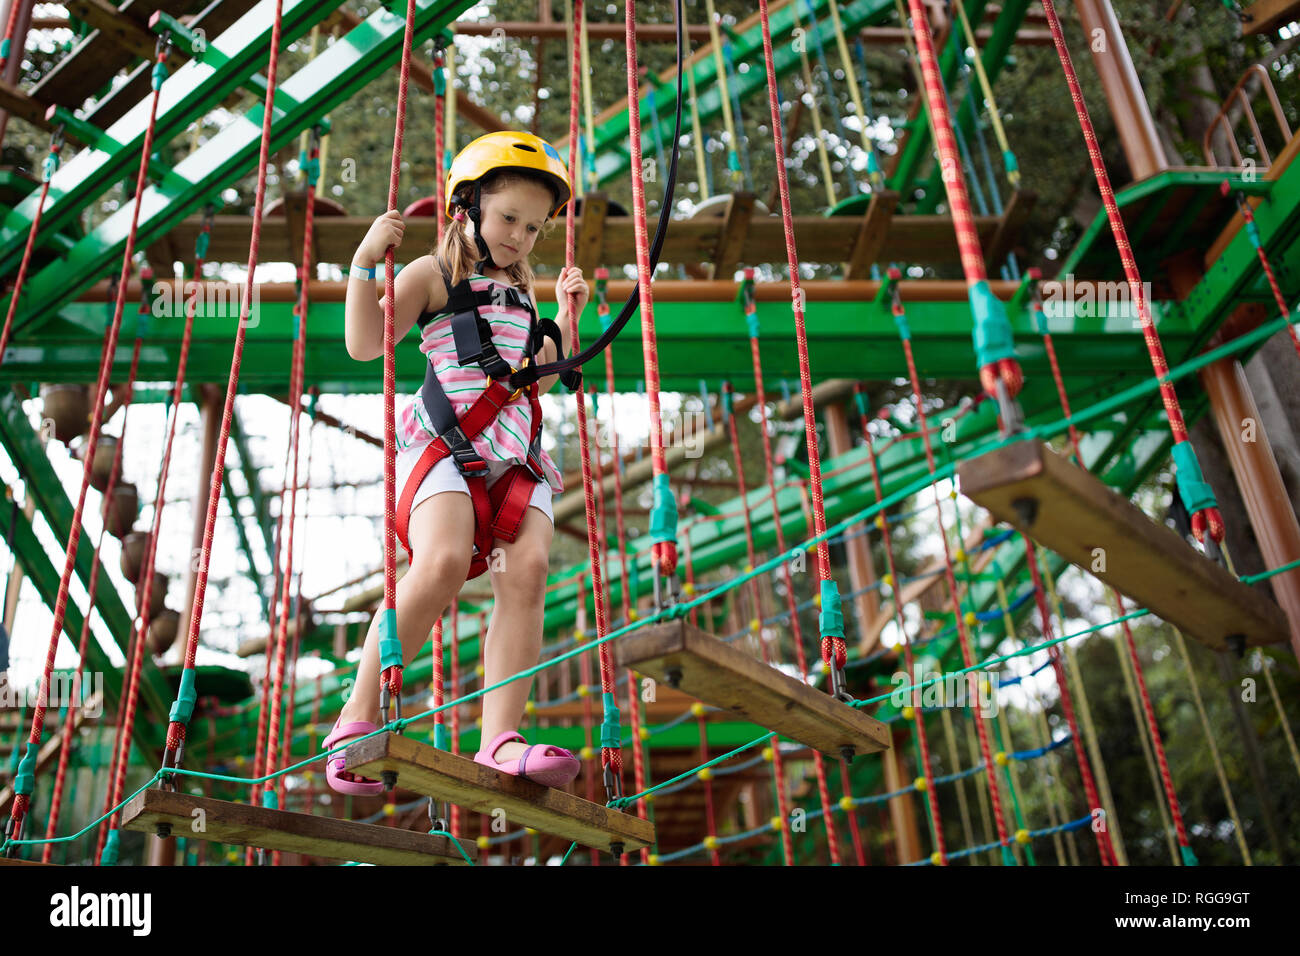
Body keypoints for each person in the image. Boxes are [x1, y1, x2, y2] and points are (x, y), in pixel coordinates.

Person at [330, 131, 590, 795]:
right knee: (442, 562)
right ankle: (357, 719)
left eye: (534, 228)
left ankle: (500, 739)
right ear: (466, 207)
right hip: (445, 445)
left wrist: (566, 316)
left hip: (517, 452)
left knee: (529, 568)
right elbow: (365, 345)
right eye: (509, 218)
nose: (520, 237)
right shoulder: (433, 275)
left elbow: (543, 378)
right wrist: (365, 261)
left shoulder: (527, 300)